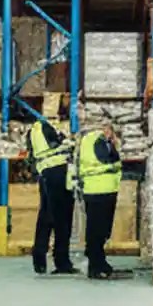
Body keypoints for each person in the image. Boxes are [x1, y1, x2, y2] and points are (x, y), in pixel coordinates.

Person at [72, 121, 125, 280]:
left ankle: (100, 262)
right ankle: (95, 265)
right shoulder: (96, 140)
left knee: (100, 230)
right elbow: (106, 161)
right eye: (113, 133)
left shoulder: (94, 140)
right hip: (98, 190)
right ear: (106, 129)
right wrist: (117, 159)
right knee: (97, 230)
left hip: (102, 190)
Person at [27, 111, 78, 275]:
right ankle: (62, 262)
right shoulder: (45, 128)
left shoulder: (34, 131)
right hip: (58, 173)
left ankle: (39, 257)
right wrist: (72, 143)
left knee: (46, 217)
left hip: (46, 174)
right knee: (62, 218)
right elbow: (57, 145)